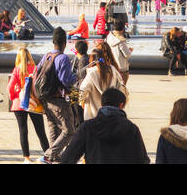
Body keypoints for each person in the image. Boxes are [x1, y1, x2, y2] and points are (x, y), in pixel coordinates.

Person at [59, 87, 148, 164]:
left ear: (102, 104)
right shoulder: (131, 128)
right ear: (121, 105)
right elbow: (142, 160)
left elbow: (67, 158)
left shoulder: (87, 127)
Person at [36, 27, 78, 164]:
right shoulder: (62, 58)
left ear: (53, 41)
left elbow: (37, 72)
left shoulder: (47, 55)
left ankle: (54, 158)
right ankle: (49, 155)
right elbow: (66, 80)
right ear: (64, 43)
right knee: (69, 130)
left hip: (45, 99)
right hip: (58, 100)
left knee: (53, 128)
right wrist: (76, 76)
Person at [7, 45, 49, 163]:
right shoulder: (35, 69)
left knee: (23, 131)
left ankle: (26, 158)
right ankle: (47, 154)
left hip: (19, 104)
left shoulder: (17, 69)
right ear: (29, 56)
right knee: (40, 130)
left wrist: (13, 96)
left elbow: (10, 86)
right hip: (34, 103)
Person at [78, 47, 127, 121]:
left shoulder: (92, 73)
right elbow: (122, 87)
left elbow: (83, 89)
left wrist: (81, 101)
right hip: (111, 112)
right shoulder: (112, 69)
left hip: (93, 114)